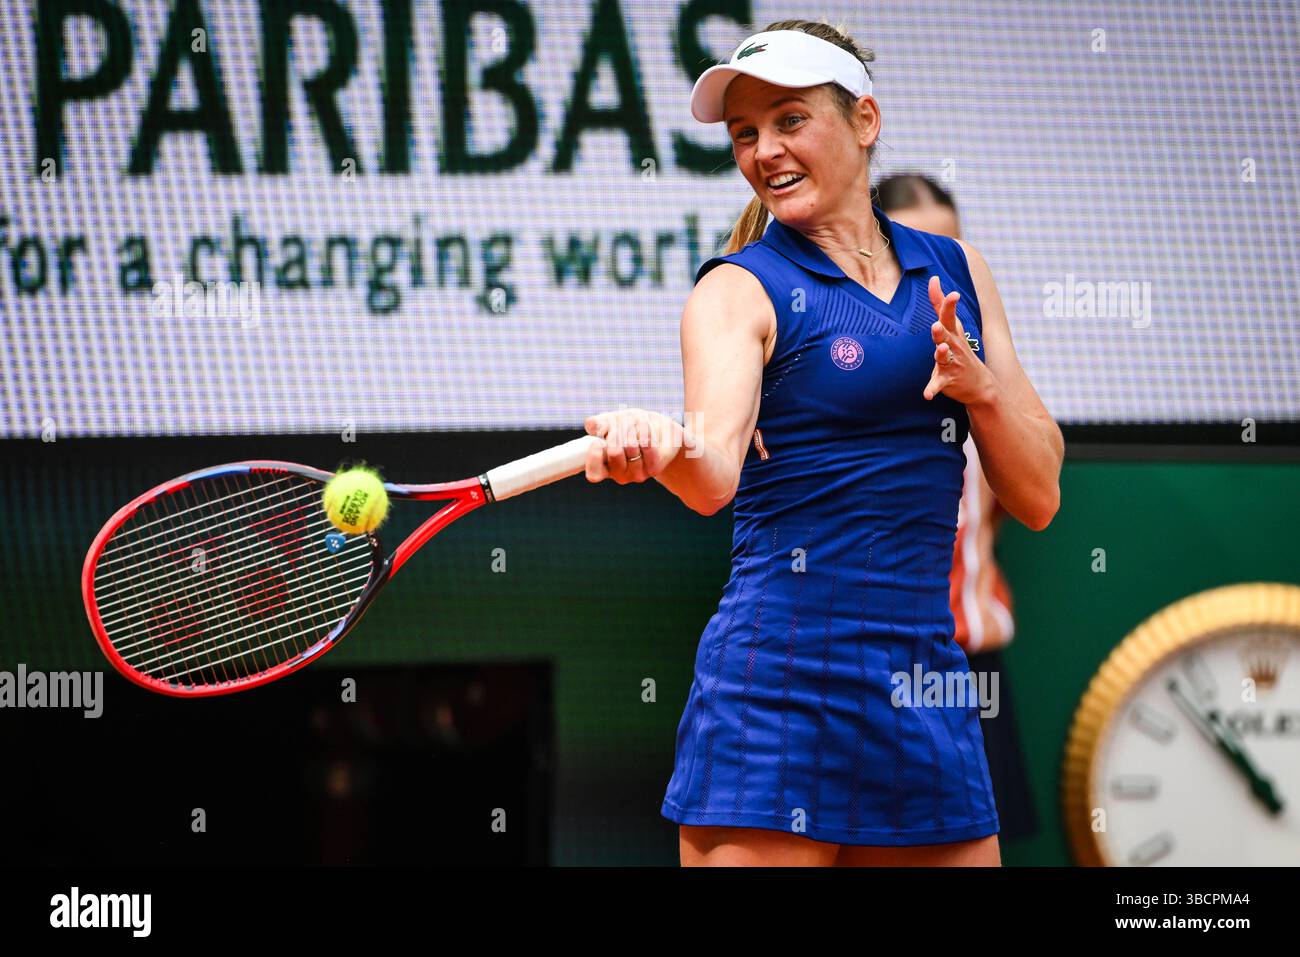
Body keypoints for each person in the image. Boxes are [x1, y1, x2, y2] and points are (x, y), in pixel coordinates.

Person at [583, 19, 1062, 866]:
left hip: (925, 679)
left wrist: (982, 389)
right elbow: (712, 475)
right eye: (744, 134)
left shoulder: (960, 271)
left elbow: (1038, 497)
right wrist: (659, 444)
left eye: (790, 120)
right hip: (775, 690)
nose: (764, 151)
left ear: (864, 121)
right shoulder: (736, 290)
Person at [876, 173, 1039, 844]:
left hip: (968, 677)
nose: (937, 274)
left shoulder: (991, 389)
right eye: (920, 247)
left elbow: (1035, 494)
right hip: (866, 673)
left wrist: (989, 397)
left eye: (952, 246)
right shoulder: (841, 386)